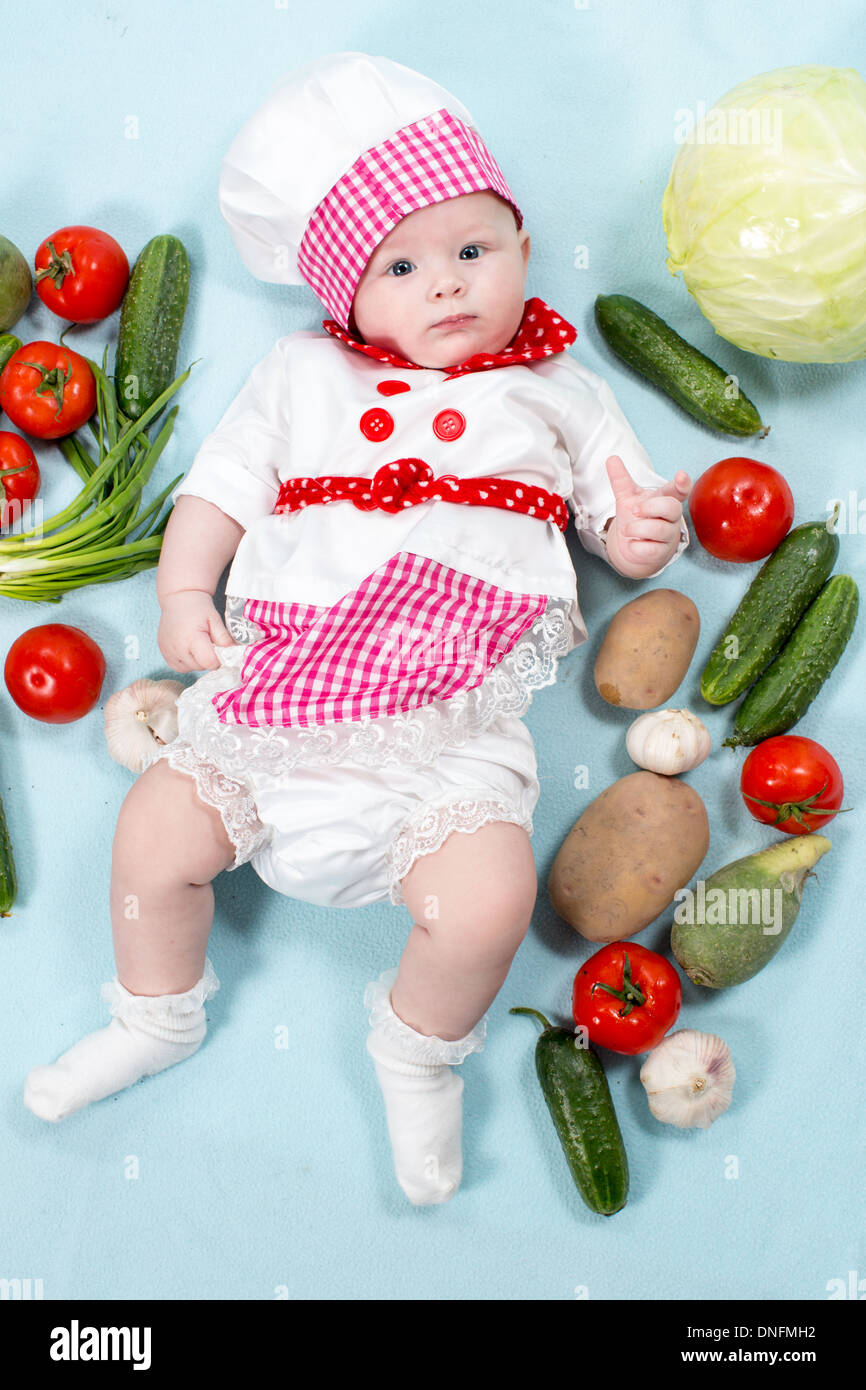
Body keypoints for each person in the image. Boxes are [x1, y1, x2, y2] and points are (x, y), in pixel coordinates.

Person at [23, 53, 691, 1206]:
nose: (444, 284)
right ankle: (154, 1012)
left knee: (486, 907)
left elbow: (616, 511)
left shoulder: (555, 387)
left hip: (447, 734)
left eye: (472, 250)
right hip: (275, 701)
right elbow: (220, 489)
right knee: (154, 835)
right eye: (401, 264)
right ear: (343, 297)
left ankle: (416, 1050)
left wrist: (640, 535)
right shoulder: (300, 373)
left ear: (523, 252)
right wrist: (185, 595)